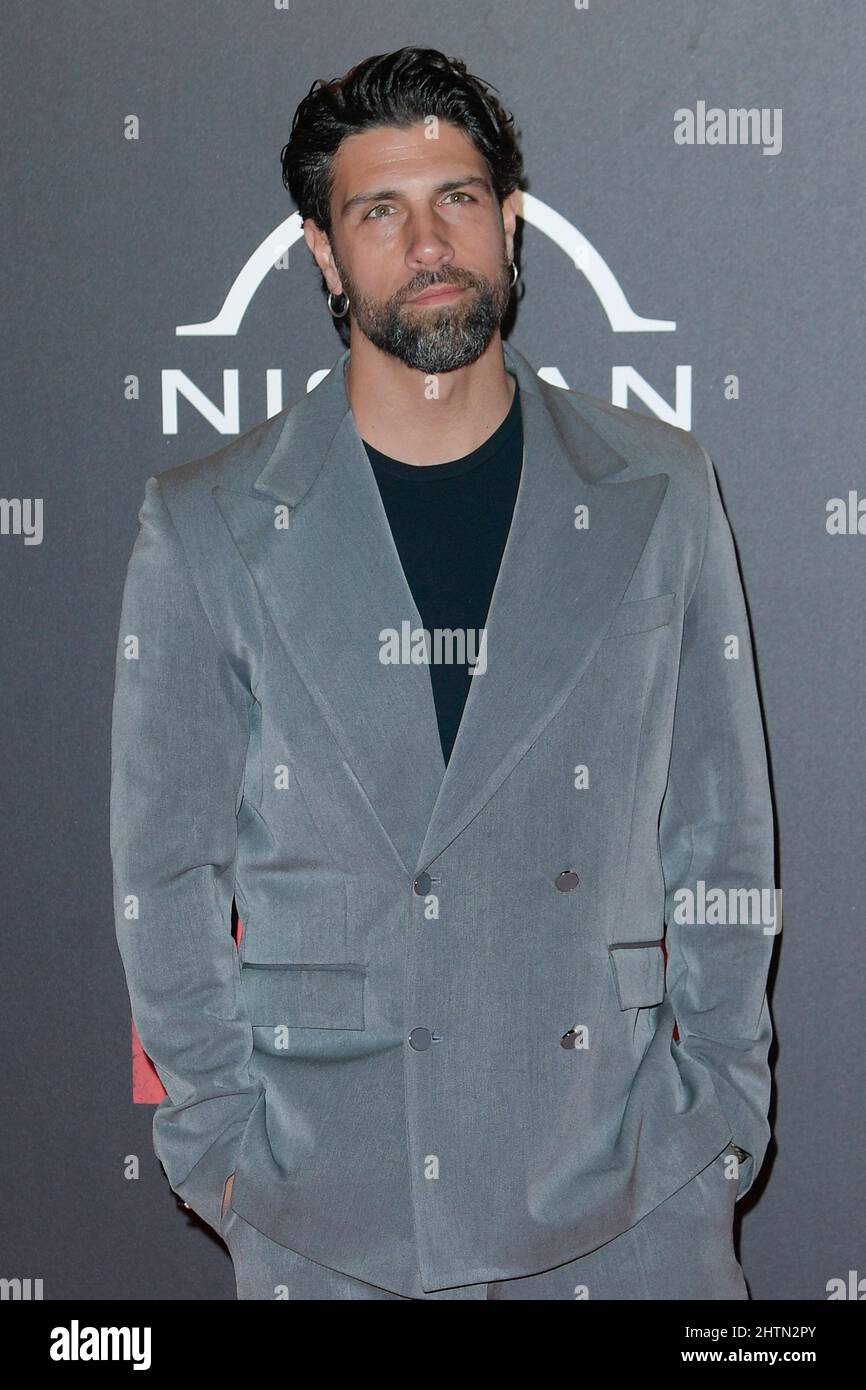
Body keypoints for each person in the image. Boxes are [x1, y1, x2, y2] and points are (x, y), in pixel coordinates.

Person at [111, 46, 776, 1300]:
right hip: (337, 1208)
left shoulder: (656, 486)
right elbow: (163, 869)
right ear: (322, 251)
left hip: (630, 1192)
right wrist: (222, 1149)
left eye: (456, 199)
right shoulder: (204, 523)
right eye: (379, 211)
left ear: (510, 223)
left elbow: (721, 829)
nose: (427, 242)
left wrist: (718, 1109)